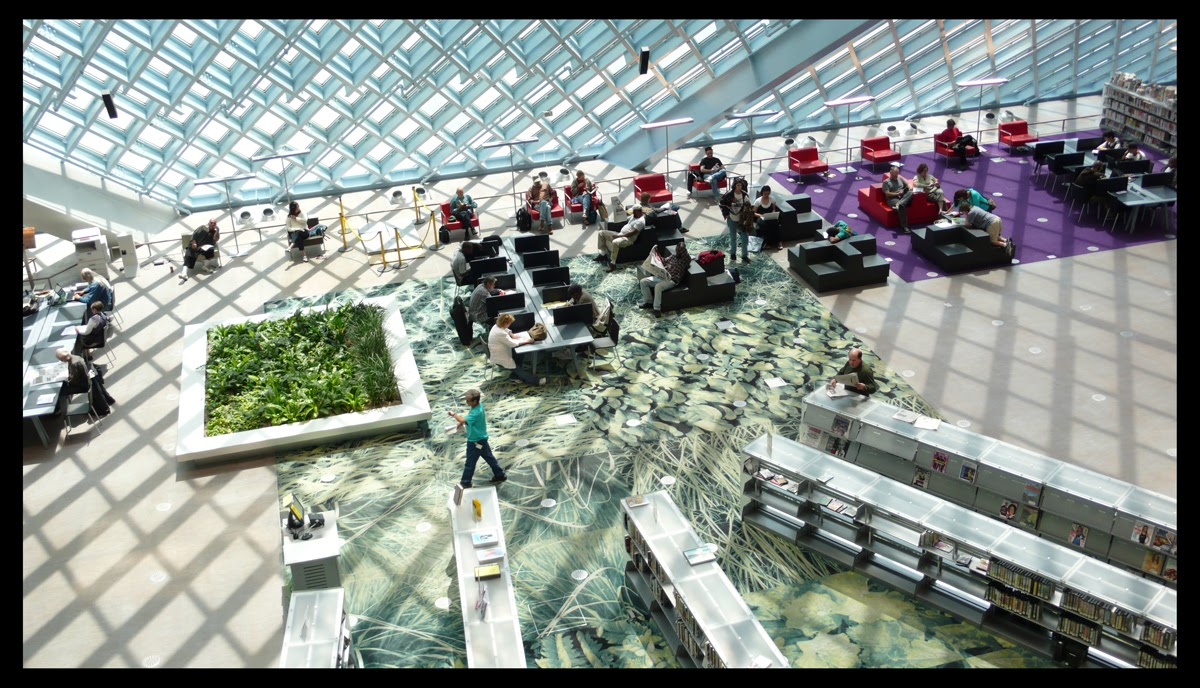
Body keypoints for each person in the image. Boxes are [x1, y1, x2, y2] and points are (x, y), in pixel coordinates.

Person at [447, 388, 508, 488]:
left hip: (475, 442)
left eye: (468, 400)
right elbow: (468, 419)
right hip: (482, 439)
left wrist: (454, 415)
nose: (466, 402)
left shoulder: (476, 412)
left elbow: (463, 419)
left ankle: (465, 482)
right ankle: (500, 475)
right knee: (489, 458)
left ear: (474, 401)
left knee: (470, 463)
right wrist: (463, 422)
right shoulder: (479, 406)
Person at [488, 313, 545, 386]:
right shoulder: (500, 333)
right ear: (505, 323)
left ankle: (514, 376)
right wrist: (527, 341)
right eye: (509, 323)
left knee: (520, 355)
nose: (510, 325)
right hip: (500, 356)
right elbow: (512, 344)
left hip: (502, 349)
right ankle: (536, 381)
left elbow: (506, 329)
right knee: (517, 369)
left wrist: (512, 335)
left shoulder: (497, 326)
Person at [56, 348, 113, 417]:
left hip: (83, 385)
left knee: (61, 390)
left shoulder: (74, 364)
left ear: (64, 357)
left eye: (61, 359)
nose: (61, 361)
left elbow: (75, 380)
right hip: (87, 380)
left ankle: (58, 409)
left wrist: (68, 379)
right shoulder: (75, 357)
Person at [639, 241, 689, 317]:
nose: (677, 252)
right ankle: (649, 302)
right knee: (643, 282)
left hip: (672, 280)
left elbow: (686, 255)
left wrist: (681, 248)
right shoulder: (673, 256)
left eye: (679, 250)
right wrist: (656, 255)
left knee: (658, 286)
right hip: (663, 276)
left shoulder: (684, 259)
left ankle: (657, 309)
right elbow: (664, 261)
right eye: (677, 250)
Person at [595, 205, 644, 272]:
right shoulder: (634, 216)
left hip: (628, 239)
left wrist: (619, 237)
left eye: (634, 211)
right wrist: (620, 211)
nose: (632, 212)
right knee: (601, 233)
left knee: (615, 242)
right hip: (620, 234)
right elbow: (625, 218)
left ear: (638, 211)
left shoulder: (640, 221)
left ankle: (613, 264)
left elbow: (632, 233)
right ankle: (603, 254)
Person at [720, 177, 753, 263]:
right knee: (733, 237)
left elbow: (748, 207)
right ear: (734, 186)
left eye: (741, 185)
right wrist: (726, 214)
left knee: (745, 238)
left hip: (742, 220)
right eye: (738, 185)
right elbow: (722, 204)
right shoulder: (729, 194)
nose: (740, 187)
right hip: (732, 218)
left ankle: (744, 255)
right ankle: (733, 254)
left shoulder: (744, 195)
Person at [882, 165, 913, 234]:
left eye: (897, 173)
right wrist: (898, 194)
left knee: (910, 193)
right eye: (895, 173)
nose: (897, 175)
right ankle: (905, 226)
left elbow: (908, 184)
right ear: (891, 173)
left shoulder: (900, 178)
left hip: (903, 197)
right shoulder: (886, 182)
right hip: (893, 199)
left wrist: (910, 187)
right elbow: (887, 194)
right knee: (902, 207)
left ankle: (899, 204)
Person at [753, 186, 782, 251]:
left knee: (776, 223)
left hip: (770, 217)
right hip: (761, 217)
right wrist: (761, 215)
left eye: (768, 193)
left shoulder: (772, 199)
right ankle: (768, 242)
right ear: (762, 193)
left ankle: (779, 242)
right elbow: (754, 213)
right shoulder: (758, 201)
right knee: (765, 225)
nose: (766, 195)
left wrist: (772, 213)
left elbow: (774, 209)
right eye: (765, 194)